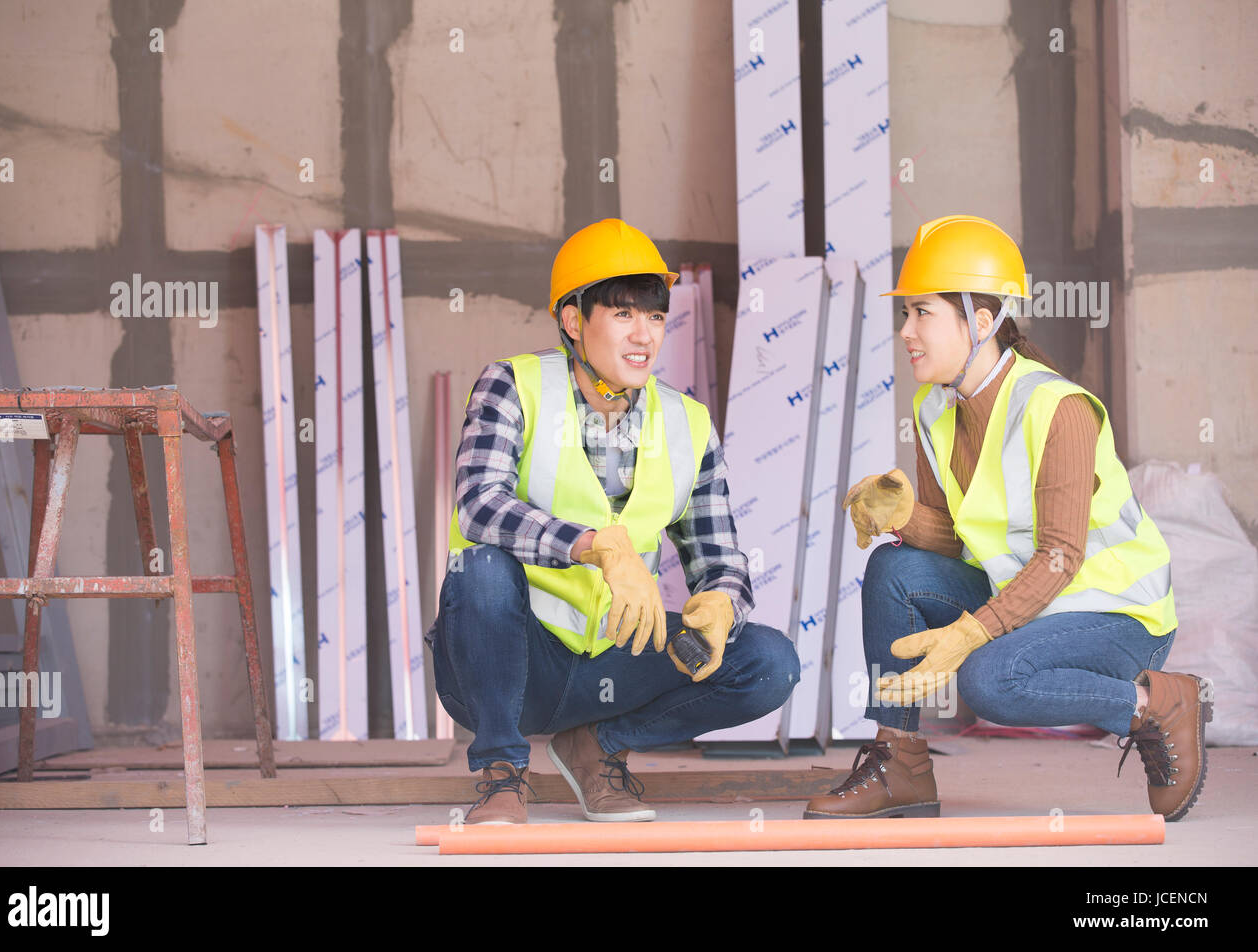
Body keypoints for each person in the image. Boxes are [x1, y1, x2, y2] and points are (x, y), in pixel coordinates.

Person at [804, 214, 1208, 821]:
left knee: (990, 681)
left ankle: (1155, 702)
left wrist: (972, 631)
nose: (907, 331)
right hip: (1028, 598)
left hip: (1117, 615)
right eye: (905, 314)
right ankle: (901, 763)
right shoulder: (935, 409)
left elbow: (1061, 557)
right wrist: (905, 517)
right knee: (892, 568)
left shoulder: (1057, 408)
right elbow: (956, 541)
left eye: (923, 313)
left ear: (982, 321)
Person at [427, 217, 799, 825]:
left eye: (654, 316)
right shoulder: (513, 385)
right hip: (514, 658)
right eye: (623, 314)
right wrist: (596, 546)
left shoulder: (687, 423)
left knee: (768, 661)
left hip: (615, 658)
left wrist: (723, 603)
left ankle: (597, 747)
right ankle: (501, 773)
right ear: (574, 320)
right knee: (480, 566)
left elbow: (721, 557)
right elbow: (479, 503)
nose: (644, 335)